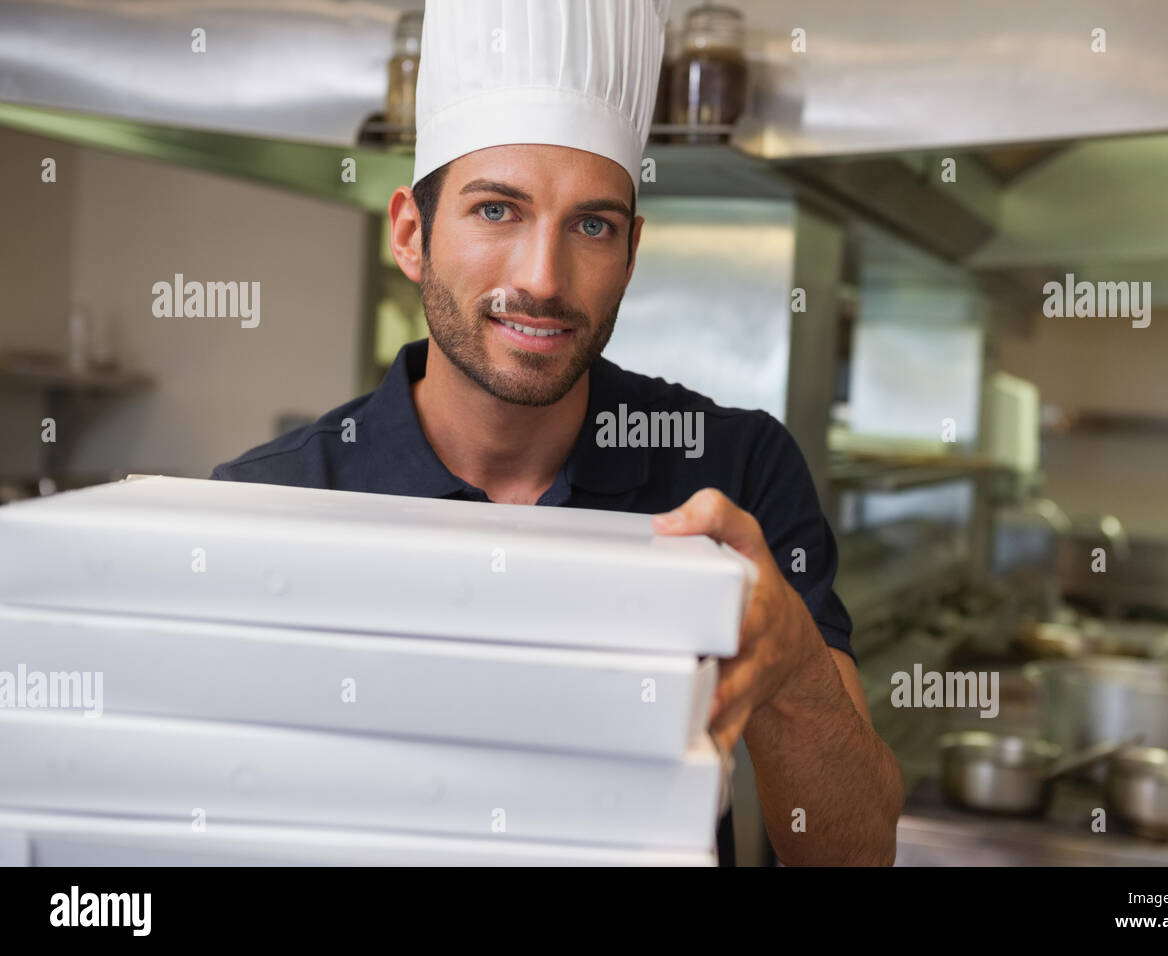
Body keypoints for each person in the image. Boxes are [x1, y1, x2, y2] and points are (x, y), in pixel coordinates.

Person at [211, 0, 902, 865]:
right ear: (411, 234)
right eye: (497, 211)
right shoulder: (268, 507)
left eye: (592, 225)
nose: (543, 279)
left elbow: (856, 852)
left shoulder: (733, 474)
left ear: (632, 249)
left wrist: (795, 665)